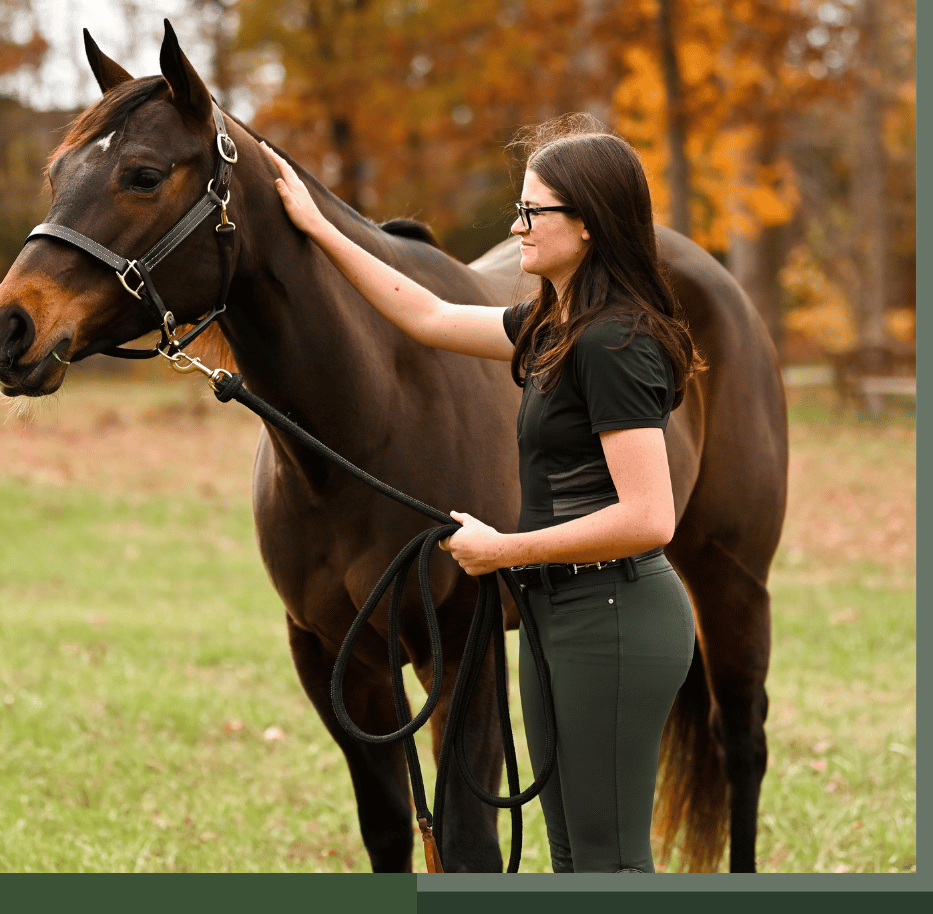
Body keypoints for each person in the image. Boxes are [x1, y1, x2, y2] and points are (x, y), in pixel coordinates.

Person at [258, 115, 699, 873]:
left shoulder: (612, 343)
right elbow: (425, 315)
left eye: (534, 212)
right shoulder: (556, 326)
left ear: (588, 226)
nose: (517, 226)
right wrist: (321, 228)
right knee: (569, 855)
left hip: (616, 619)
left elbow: (649, 516)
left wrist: (505, 549)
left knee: (609, 861)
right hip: (562, 615)